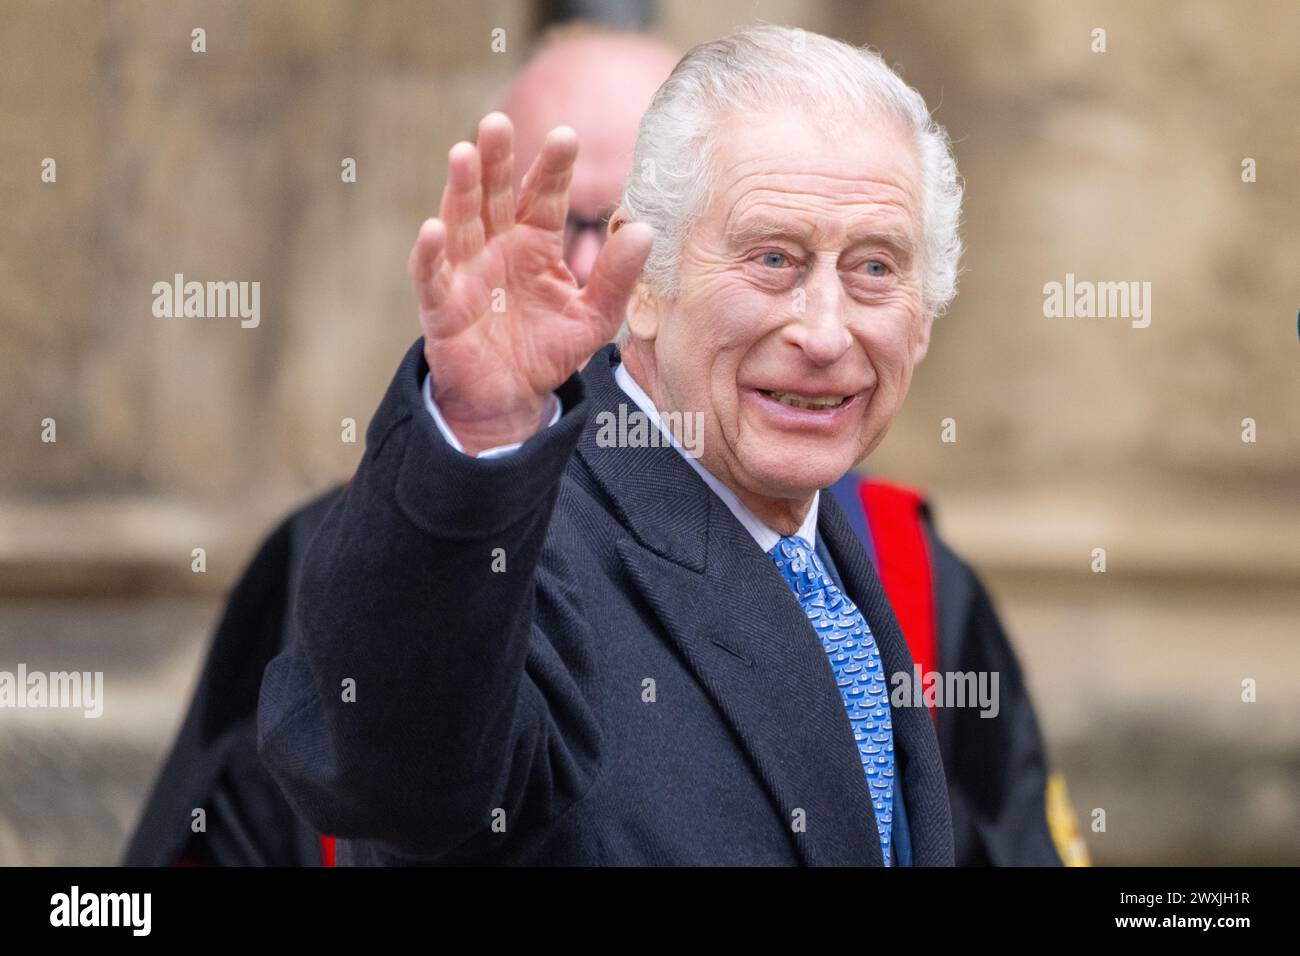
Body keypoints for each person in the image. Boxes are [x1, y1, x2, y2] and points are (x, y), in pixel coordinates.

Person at [126, 23, 1083, 868]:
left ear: (926, 315)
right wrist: (481, 440)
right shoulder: (506, 546)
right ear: (648, 281)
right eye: (772, 258)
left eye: (875, 267)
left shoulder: (868, 558)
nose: (825, 332)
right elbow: (398, 779)